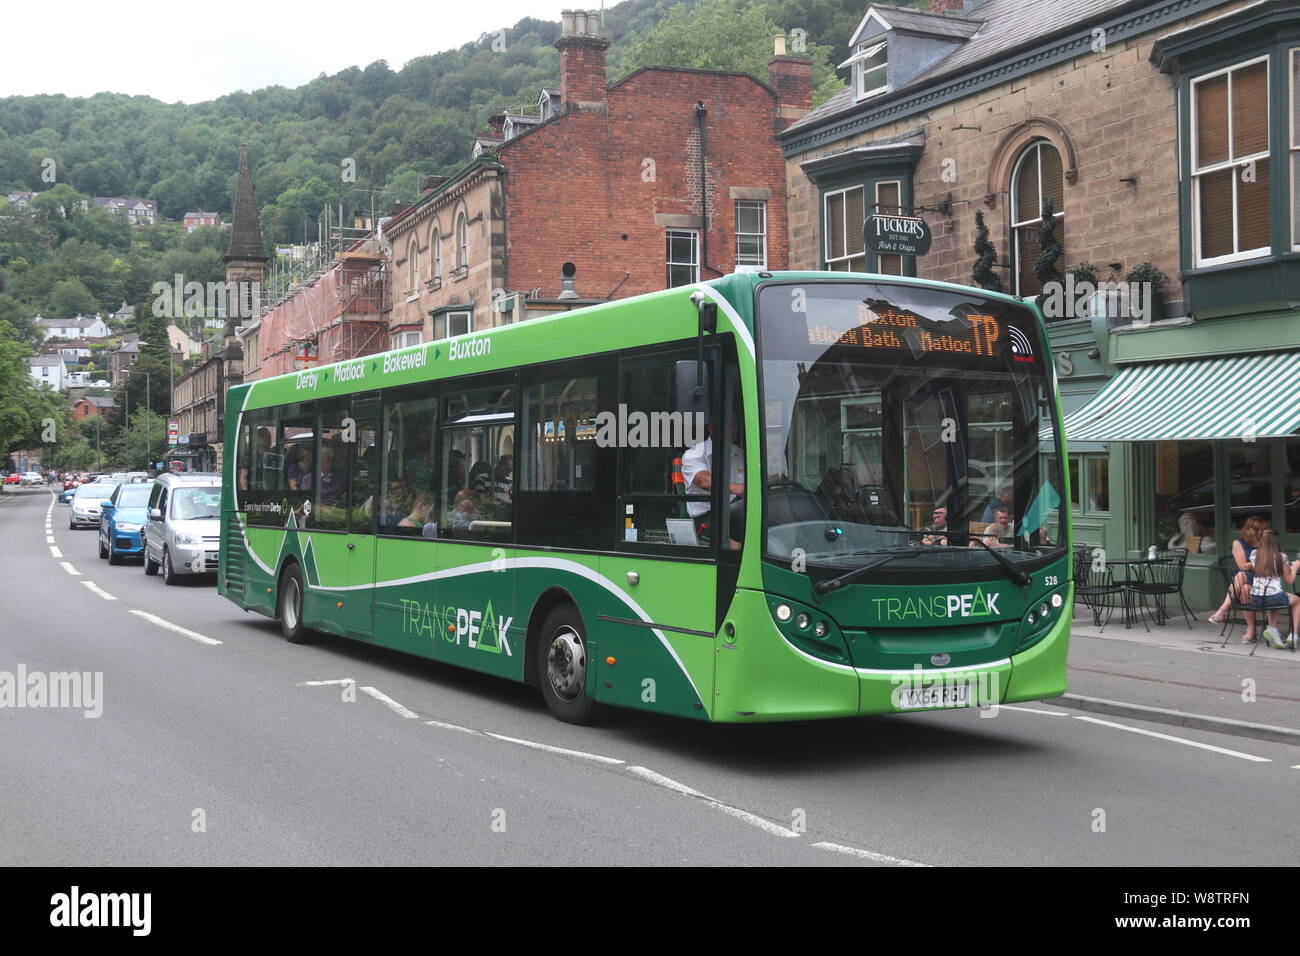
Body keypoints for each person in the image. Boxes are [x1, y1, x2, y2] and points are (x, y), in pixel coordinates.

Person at [681, 423, 744, 547]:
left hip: (739, 513)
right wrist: (735, 488)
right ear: (711, 428)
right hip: (707, 518)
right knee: (740, 545)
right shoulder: (693, 454)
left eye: (735, 425)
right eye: (729, 423)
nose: (733, 429)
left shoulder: (741, 454)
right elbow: (704, 481)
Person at [1208, 515, 1268, 635]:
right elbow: (1242, 566)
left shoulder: (1267, 542)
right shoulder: (1238, 543)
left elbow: (1276, 560)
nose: (1261, 532)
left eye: (1263, 529)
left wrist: (1254, 564)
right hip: (1247, 579)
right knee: (1244, 588)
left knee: (1241, 576)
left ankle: (1223, 610)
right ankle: (1251, 630)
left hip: (1264, 580)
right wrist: (1257, 563)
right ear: (1250, 530)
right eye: (1258, 529)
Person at [1250, 529, 1300, 649]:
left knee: (1275, 597)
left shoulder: (1254, 554)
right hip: (1273, 597)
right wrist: (1295, 567)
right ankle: (1293, 635)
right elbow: (1289, 580)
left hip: (1255, 598)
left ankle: (1272, 629)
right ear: (1276, 541)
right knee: (1297, 600)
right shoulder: (1281, 557)